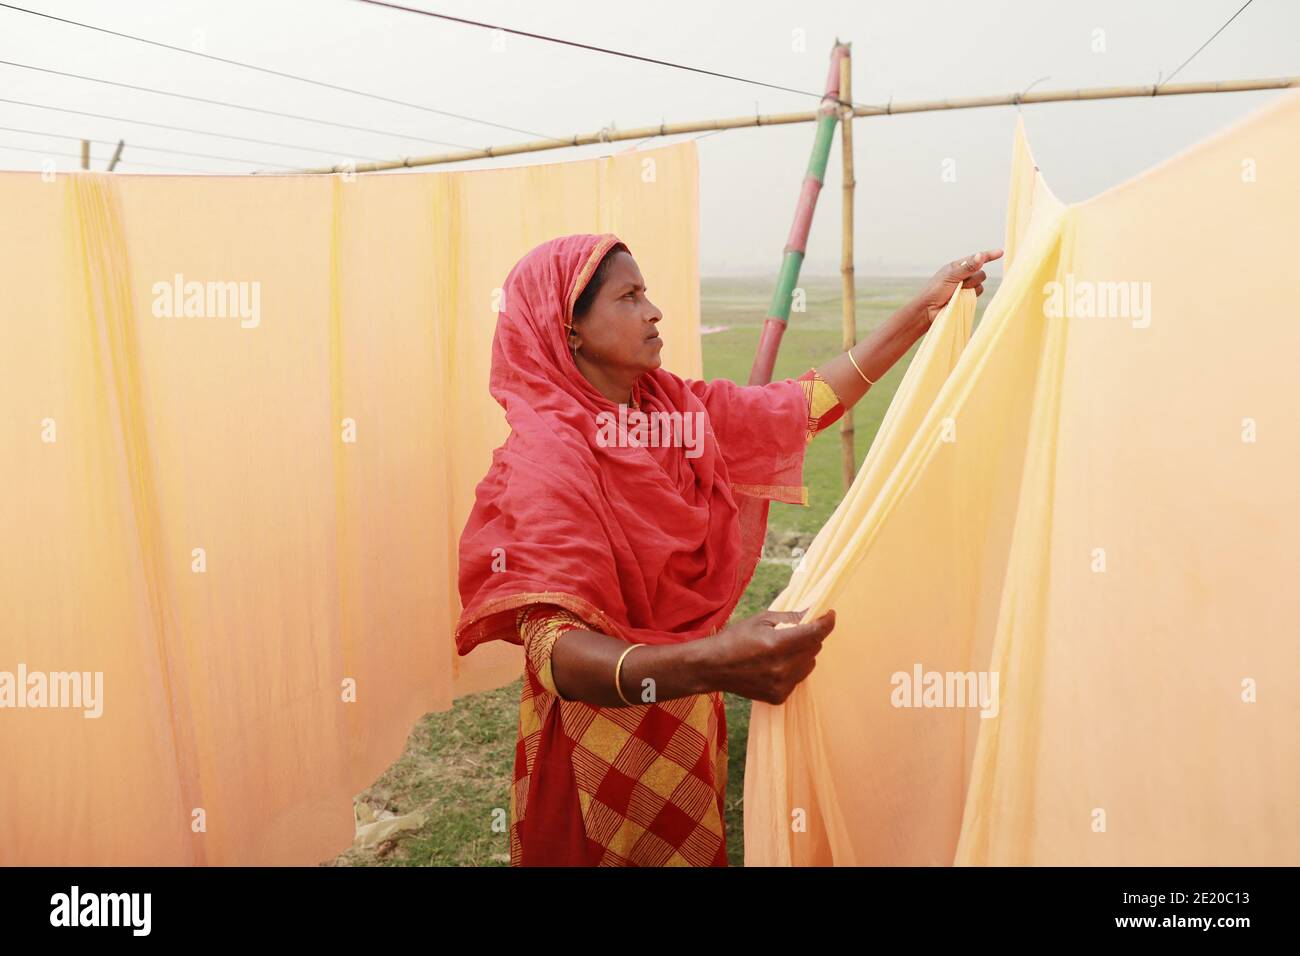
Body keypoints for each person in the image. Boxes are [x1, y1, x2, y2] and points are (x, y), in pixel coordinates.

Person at [455, 233, 1000, 866]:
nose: (654, 310)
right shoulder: (546, 460)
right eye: (629, 297)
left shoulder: (673, 413)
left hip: (686, 721)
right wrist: (711, 662)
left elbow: (805, 404)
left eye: (647, 292)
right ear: (568, 331)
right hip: (590, 748)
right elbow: (555, 654)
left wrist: (922, 310)